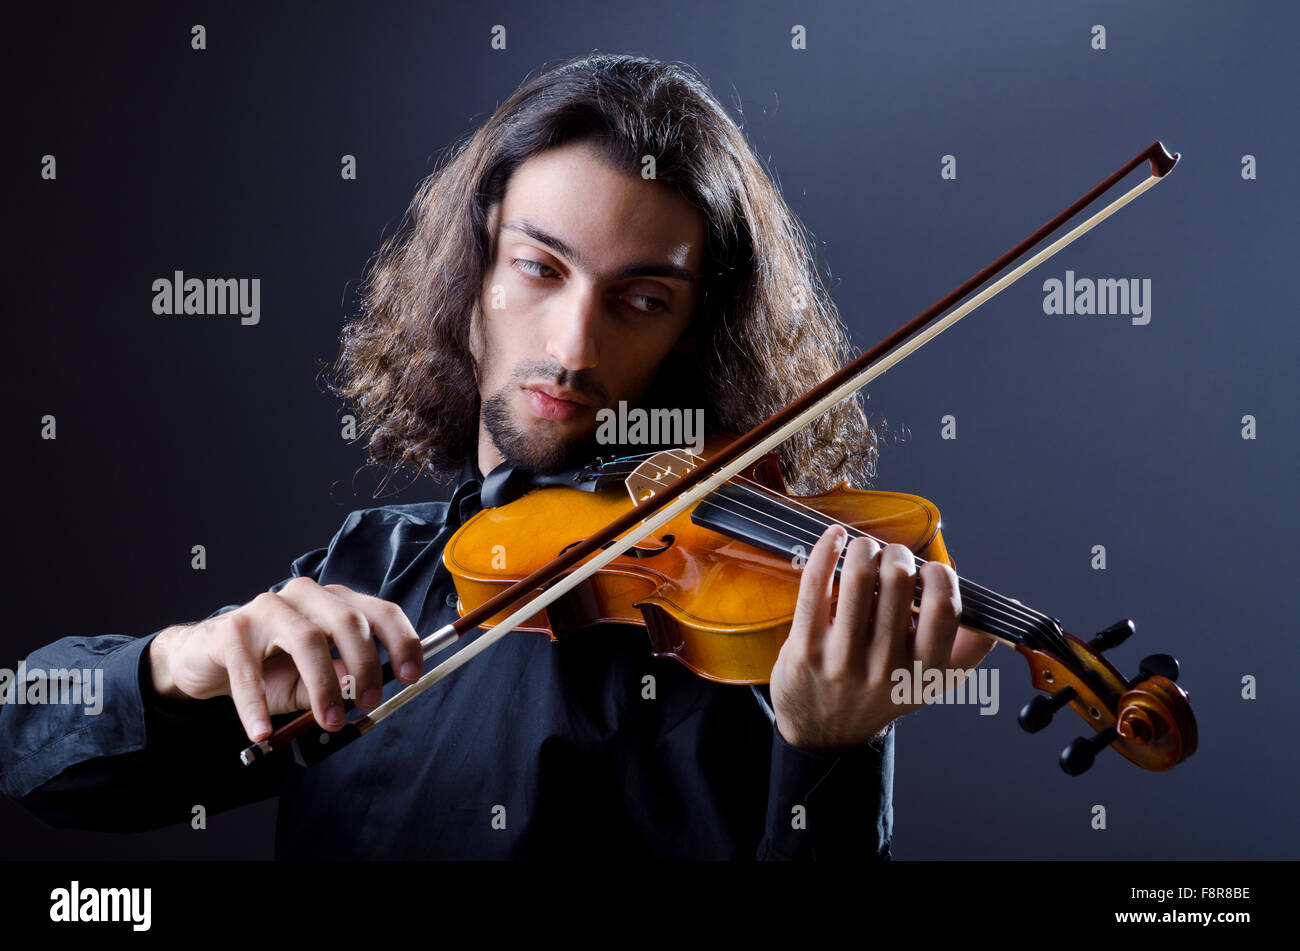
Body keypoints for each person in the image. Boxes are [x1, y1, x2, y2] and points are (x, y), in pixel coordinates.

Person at [0, 53, 992, 859]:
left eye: (640, 299)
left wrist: (827, 755)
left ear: (694, 336)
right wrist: (188, 660)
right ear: (469, 275)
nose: (570, 346)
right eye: (538, 267)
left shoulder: (752, 656)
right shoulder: (369, 573)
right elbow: (26, 742)